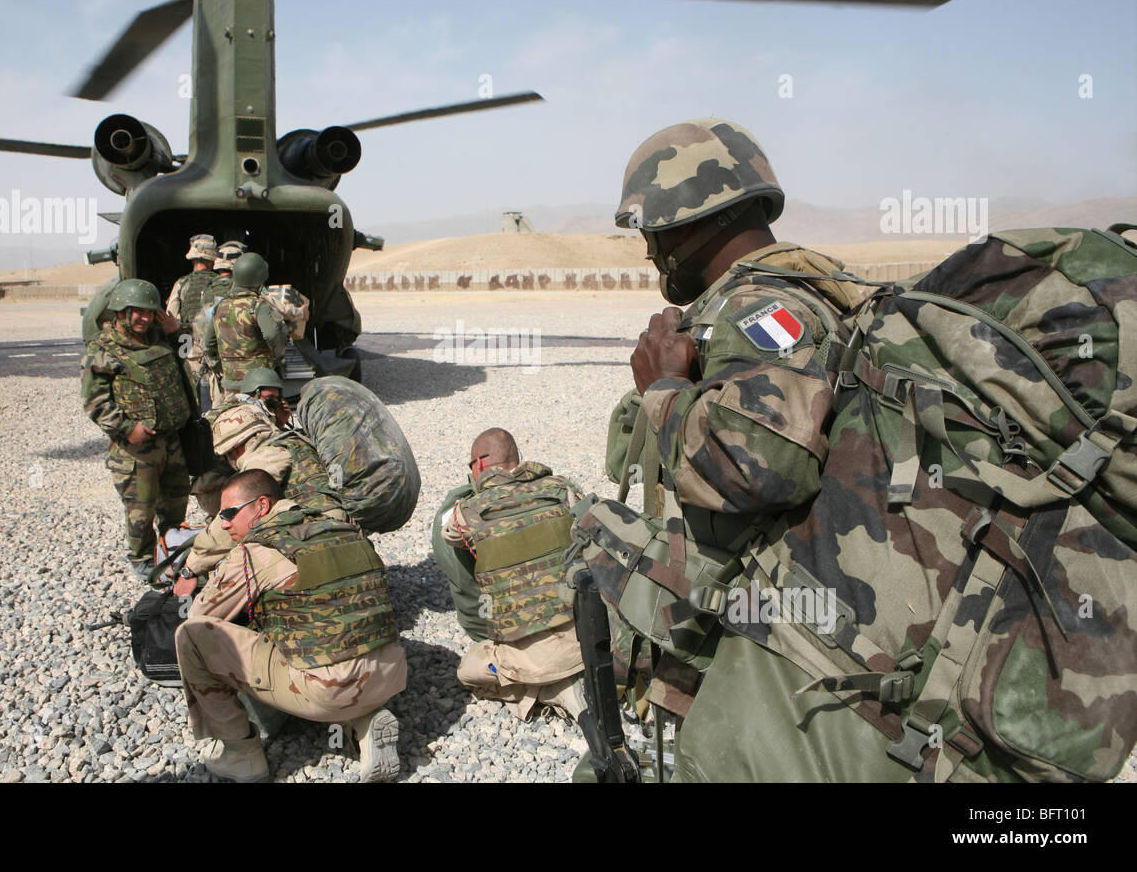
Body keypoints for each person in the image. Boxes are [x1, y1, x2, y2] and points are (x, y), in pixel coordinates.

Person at [613, 117, 868, 778]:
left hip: (768, 630)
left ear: (683, 224)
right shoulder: (799, 291)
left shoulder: (763, 310)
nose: (648, 251)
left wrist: (664, 387)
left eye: (650, 232)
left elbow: (758, 466)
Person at [175, 469, 406, 782]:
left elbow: (203, 615)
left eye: (229, 513)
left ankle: (242, 754)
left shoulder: (257, 549)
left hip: (329, 692)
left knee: (191, 637)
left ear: (262, 506)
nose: (224, 523)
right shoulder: (342, 526)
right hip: (391, 674)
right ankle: (364, 723)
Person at [438, 428, 586, 721]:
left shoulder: (469, 510)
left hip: (526, 661)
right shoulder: (563, 489)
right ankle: (573, 682)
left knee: (468, 671)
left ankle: (548, 691)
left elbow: (448, 533)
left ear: (479, 465)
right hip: (588, 642)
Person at [179, 369, 345, 593]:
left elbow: (235, 516)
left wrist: (191, 568)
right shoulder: (295, 440)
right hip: (338, 539)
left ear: (236, 448)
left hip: (319, 549)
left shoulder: (267, 457)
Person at [81, 279, 192, 565]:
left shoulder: (160, 338)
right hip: (137, 448)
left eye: (149, 312)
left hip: (172, 440)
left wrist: (176, 331)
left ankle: (172, 552)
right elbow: (95, 401)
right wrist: (128, 430)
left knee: (177, 502)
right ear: (120, 312)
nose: (144, 318)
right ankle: (143, 560)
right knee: (141, 509)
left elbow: (189, 358)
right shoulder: (103, 349)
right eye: (137, 312)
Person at [204, 252, 290, 401]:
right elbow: (272, 335)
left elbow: (208, 343)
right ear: (259, 279)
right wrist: (276, 358)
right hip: (259, 383)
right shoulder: (259, 306)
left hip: (230, 382)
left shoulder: (220, 306)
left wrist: (222, 366)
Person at [194, 240, 247, 403]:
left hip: (215, 360)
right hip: (242, 362)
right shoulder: (248, 287)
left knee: (219, 406)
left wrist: (213, 362)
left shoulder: (207, 290)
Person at [166, 234, 220, 388]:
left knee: (191, 387)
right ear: (212, 259)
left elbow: (171, 316)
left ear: (193, 259)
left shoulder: (181, 284)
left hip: (188, 344)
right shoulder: (220, 283)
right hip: (215, 345)